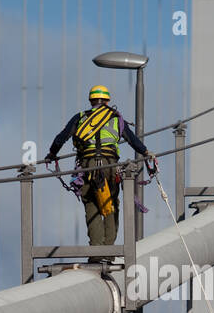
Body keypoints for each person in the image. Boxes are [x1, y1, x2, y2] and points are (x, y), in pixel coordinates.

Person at [43, 84, 154, 249]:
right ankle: (108, 248)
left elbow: (61, 138)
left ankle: (97, 249)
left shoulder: (80, 117)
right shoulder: (116, 118)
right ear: (107, 101)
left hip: (87, 166)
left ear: (91, 101)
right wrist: (146, 152)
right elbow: (132, 139)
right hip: (110, 165)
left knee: (91, 203)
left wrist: (51, 155)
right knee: (111, 203)